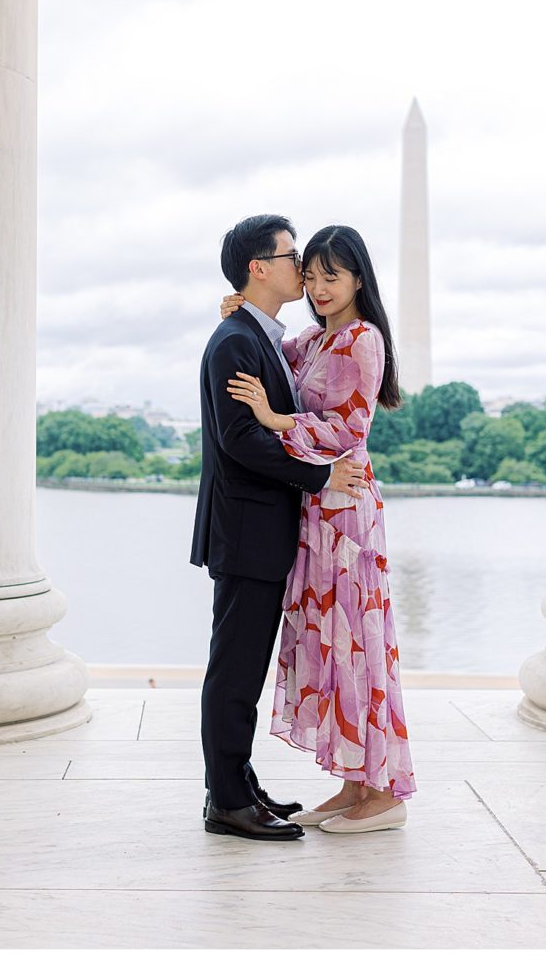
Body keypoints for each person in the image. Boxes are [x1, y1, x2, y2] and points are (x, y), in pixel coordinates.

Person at [219, 223, 417, 833]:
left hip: (347, 509)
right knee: (332, 644)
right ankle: (354, 781)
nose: (319, 287)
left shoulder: (364, 340)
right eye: (310, 275)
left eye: (332, 275)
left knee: (359, 640)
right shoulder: (313, 341)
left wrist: (276, 419)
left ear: (359, 277)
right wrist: (240, 309)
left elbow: (349, 432)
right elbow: (268, 352)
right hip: (315, 510)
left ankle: (384, 792)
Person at [191, 214, 369, 842]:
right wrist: (320, 479)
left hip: (259, 531)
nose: (304, 269)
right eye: (293, 257)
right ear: (258, 268)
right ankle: (228, 802)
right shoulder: (238, 341)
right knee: (235, 672)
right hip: (247, 532)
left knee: (242, 668)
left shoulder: (257, 334)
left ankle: (239, 787)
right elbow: (241, 442)